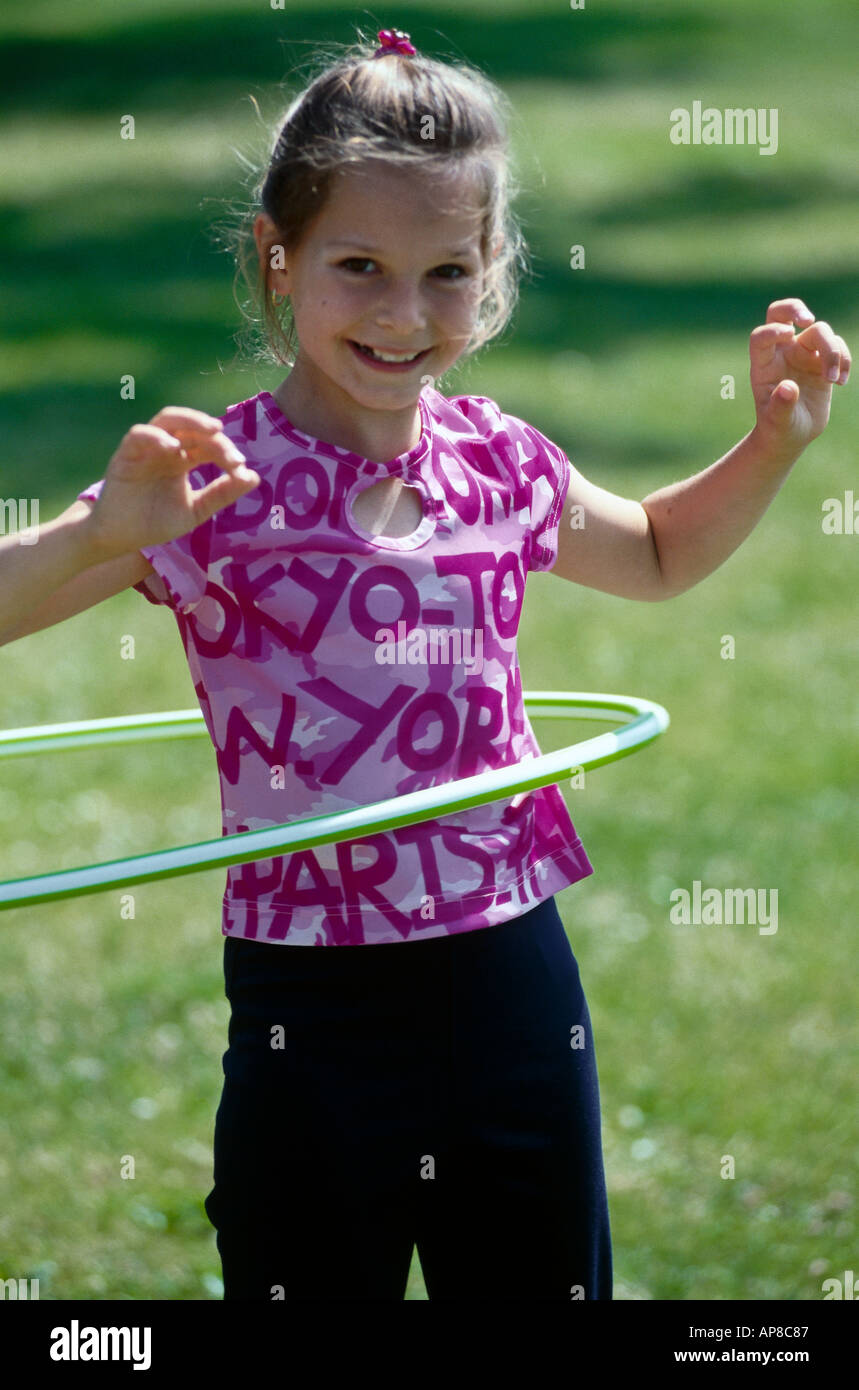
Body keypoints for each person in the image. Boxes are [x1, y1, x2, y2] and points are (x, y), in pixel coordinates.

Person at [0, 26, 849, 1302]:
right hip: (311, 994)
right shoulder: (210, 486)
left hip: (509, 965)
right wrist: (96, 532)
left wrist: (771, 446)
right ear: (276, 262)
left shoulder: (501, 460)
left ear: (494, 274)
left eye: (448, 273)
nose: (404, 315)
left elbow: (664, 553)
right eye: (360, 267)